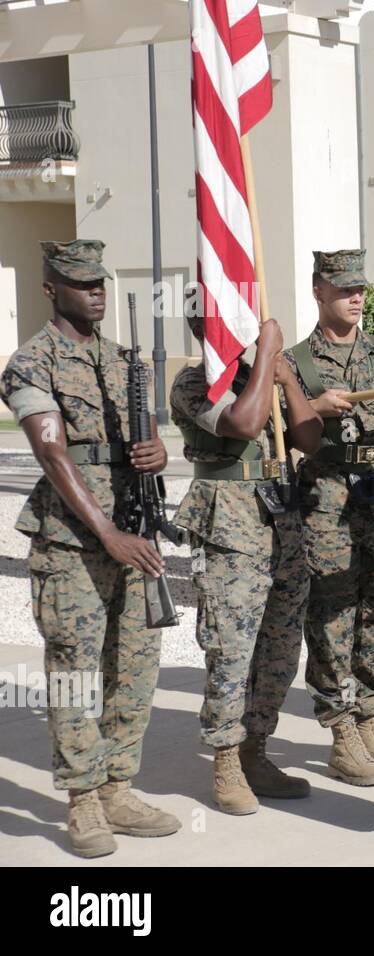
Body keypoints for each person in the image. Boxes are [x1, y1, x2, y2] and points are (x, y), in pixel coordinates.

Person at [1, 239, 180, 858]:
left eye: (100, 281)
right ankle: (81, 800)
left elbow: (144, 435)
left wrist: (156, 449)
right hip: (74, 542)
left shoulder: (127, 361)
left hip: (136, 529)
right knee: (76, 671)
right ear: (51, 288)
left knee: (135, 666)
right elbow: (51, 452)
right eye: (81, 283)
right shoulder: (31, 363)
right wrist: (107, 533)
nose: (96, 292)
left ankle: (117, 789)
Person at [172, 293, 323, 815]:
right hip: (230, 524)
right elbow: (243, 424)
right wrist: (265, 362)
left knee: (280, 649)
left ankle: (257, 748)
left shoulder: (263, 376)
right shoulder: (196, 383)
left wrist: (288, 380)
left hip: (281, 521)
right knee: (231, 650)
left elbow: (310, 438)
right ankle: (227, 760)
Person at [284, 249, 374, 788]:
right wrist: (309, 409)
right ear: (318, 292)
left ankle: (373, 715)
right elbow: (265, 441)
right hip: (326, 499)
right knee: (331, 614)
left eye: (361, 288)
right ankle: (340, 729)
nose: (356, 297)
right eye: (344, 288)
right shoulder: (294, 364)